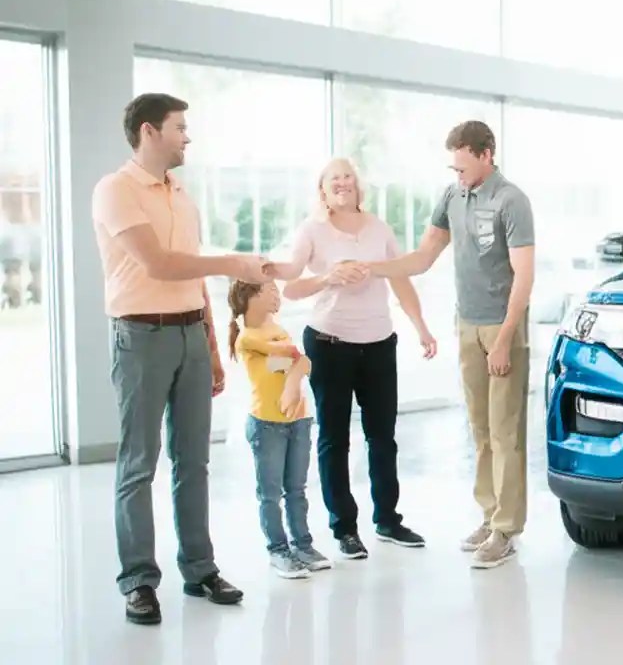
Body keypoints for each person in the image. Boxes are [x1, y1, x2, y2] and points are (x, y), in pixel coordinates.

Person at [91, 93, 269, 625]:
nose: (187, 136)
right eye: (179, 127)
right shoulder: (115, 190)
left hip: (191, 335)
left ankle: (200, 569)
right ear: (150, 131)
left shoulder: (181, 195)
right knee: (139, 463)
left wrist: (213, 347)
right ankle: (139, 581)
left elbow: (189, 278)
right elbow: (159, 263)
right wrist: (232, 262)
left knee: (194, 461)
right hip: (141, 337)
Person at [367, 120, 535, 570]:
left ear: (486, 154)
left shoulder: (511, 200)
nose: (457, 175)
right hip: (467, 323)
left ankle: (506, 528)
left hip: (503, 327)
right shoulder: (452, 195)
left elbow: (525, 277)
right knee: (480, 430)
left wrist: (503, 341)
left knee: (505, 433)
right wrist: (372, 268)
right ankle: (488, 515)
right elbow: (423, 258)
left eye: (463, 167)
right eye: (453, 168)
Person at [271, 157, 437, 559]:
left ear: (357, 186)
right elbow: (289, 288)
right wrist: (327, 277)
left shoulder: (379, 228)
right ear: (323, 189)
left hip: (380, 342)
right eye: (334, 179)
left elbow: (400, 278)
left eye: (348, 176)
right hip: (330, 344)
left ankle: (388, 520)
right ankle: (344, 527)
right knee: (334, 438)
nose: (342, 183)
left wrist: (421, 328)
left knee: (383, 437)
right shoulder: (312, 230)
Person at [227, 278, 331, 579]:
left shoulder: (278, 329)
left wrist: (293, 383)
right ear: (250, 297)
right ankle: (278, 550)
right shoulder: (246, 337)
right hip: (267, 424)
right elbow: (291, 355)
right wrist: (294, 372)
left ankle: (303, 545)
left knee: (297, 490)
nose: (276, 294)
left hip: (298, 420)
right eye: (269, 289)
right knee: (270, 493)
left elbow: (304, 362)